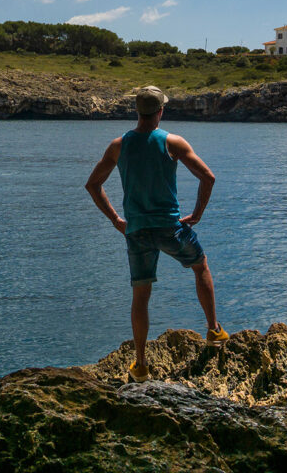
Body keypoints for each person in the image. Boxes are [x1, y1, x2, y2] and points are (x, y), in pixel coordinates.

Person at [85, 85, 228, 381]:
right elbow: (208, 177)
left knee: (141, 295)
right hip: (169, 227)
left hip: (136, 231)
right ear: (161, 111)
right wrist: (197, 214)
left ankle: (141, 365)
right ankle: (214, 330)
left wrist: (115, 219)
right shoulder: (171, 142)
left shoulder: (118, 145)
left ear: (137, 111)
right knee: (200, 266)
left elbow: (93, 185)